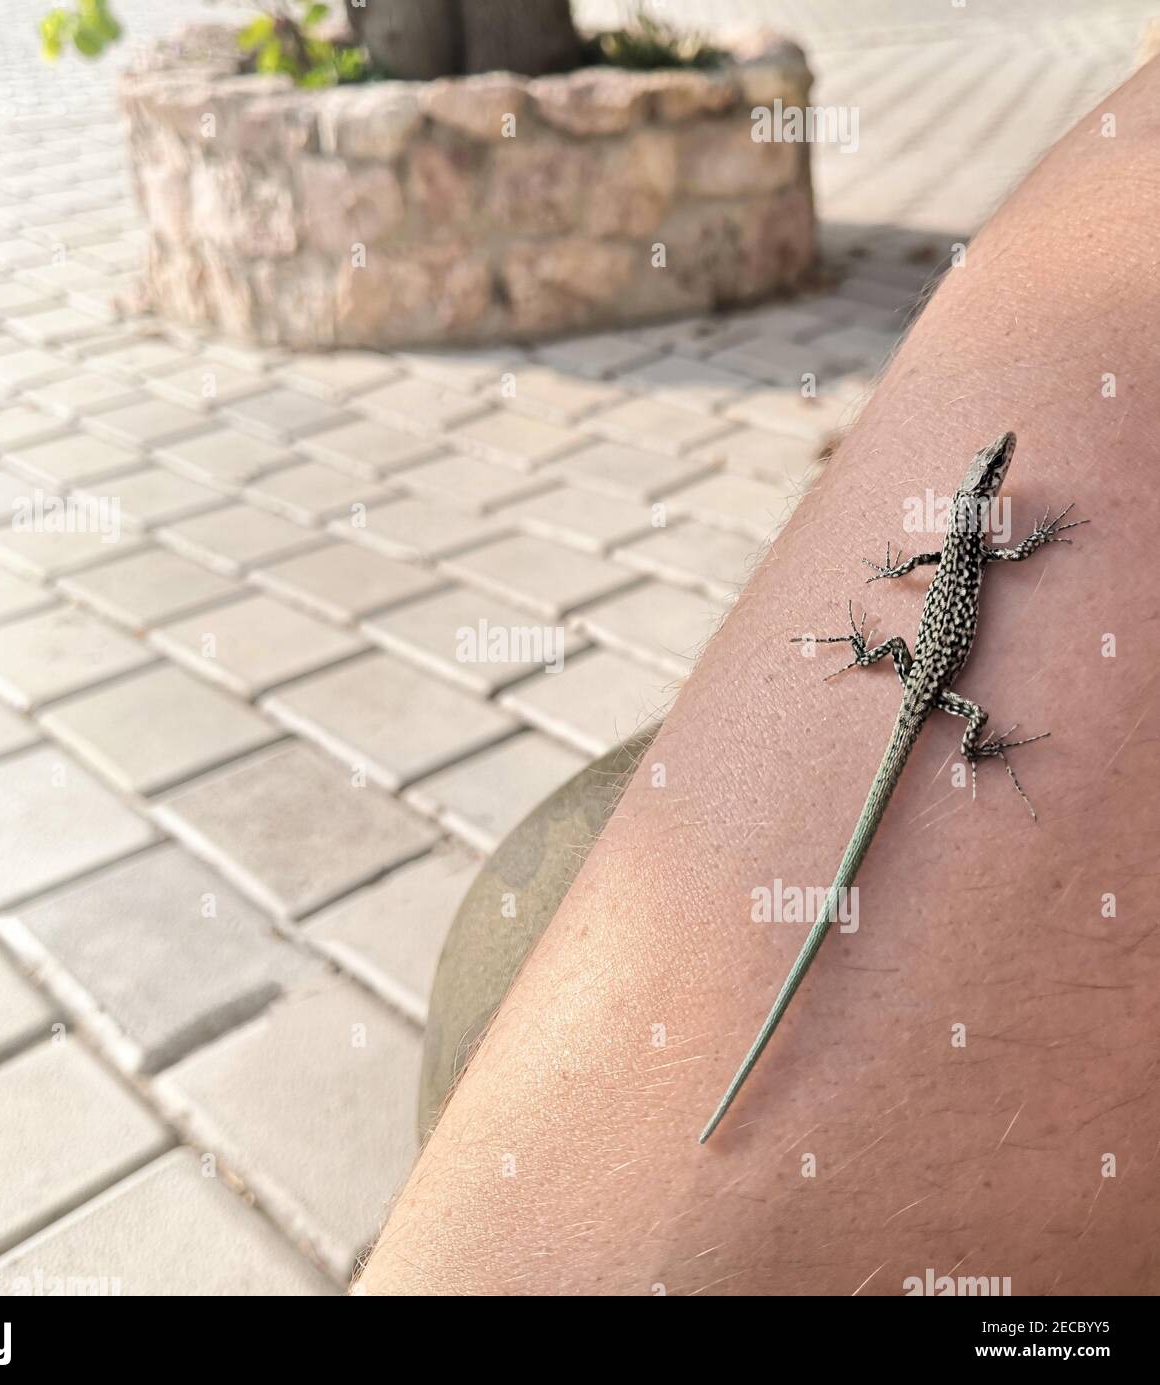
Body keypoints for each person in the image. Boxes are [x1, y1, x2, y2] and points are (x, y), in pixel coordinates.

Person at [355, 56, 1160, 1297]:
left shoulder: (957, 546)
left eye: (995, 474)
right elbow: (999, 561)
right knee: (949, 732)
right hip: (932, 691)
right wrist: (1023, 573)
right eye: (995, 477)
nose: (997, 481)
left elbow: (934, 571)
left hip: (921, 675)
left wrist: (883, 623)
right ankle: (973, 750)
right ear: (986, 498)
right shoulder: (983, 544)